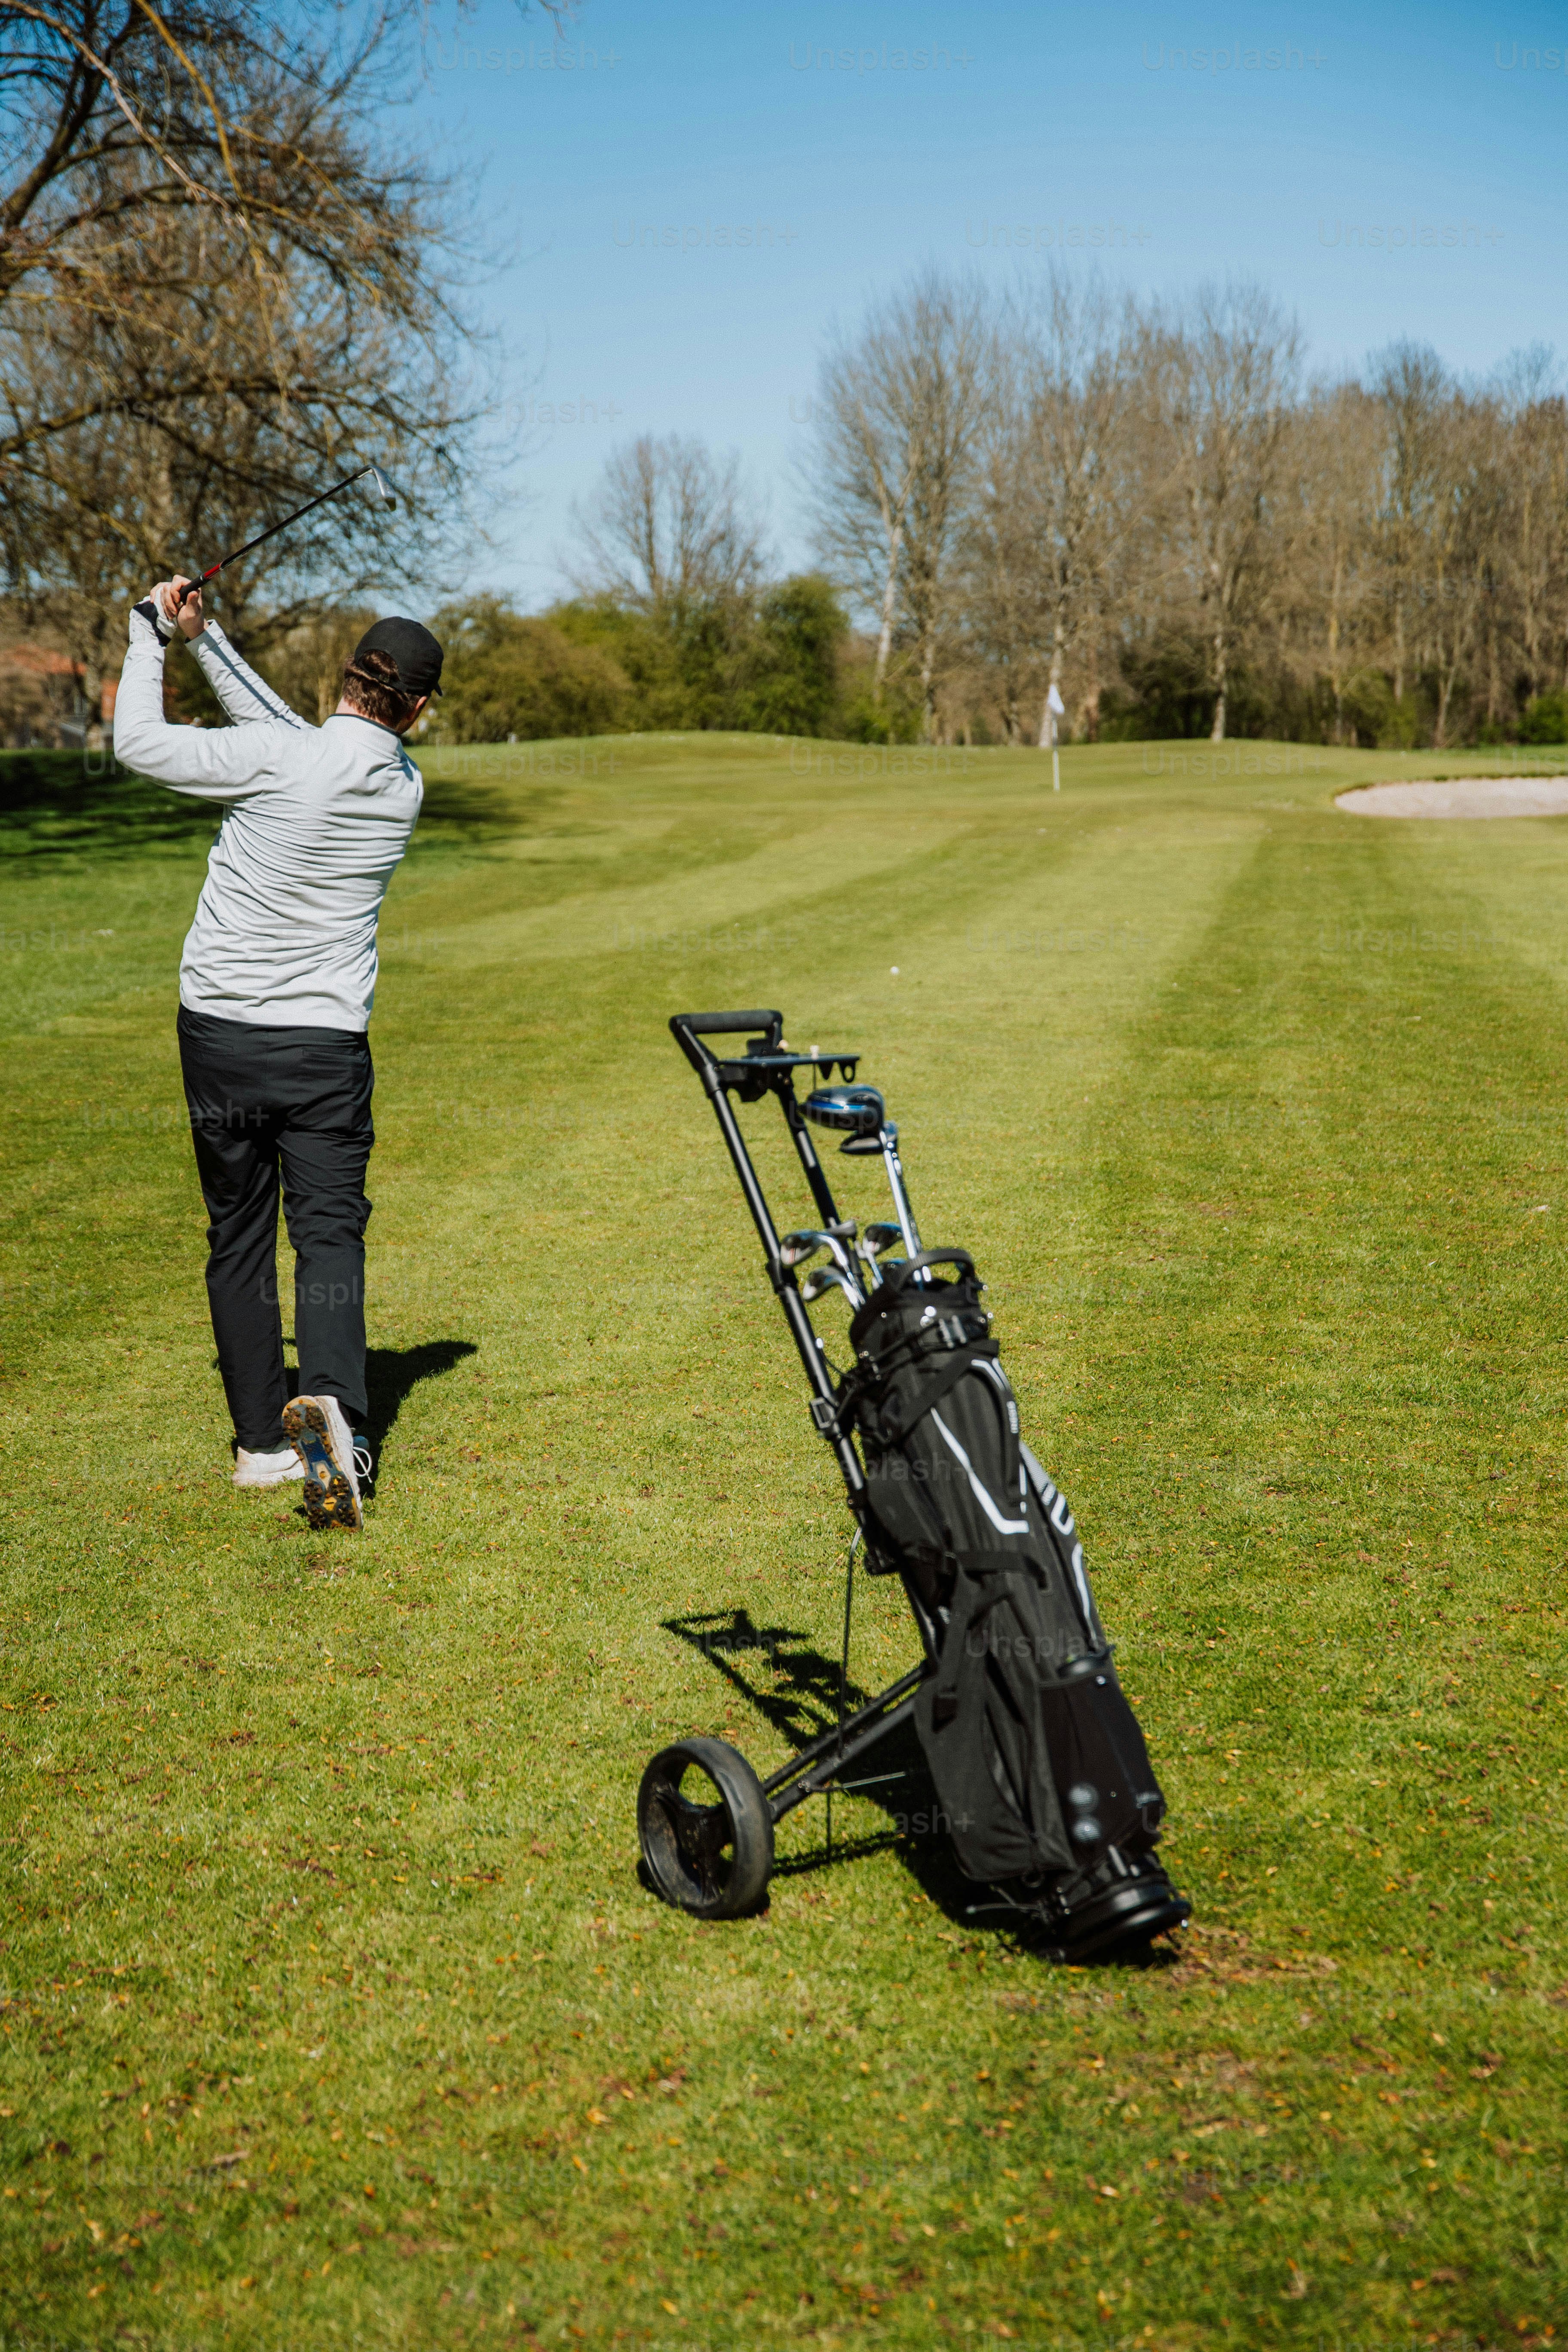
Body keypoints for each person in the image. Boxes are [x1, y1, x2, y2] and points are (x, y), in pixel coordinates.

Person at [112, 577, 443, 1531]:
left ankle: (261, 1447)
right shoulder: (404, 786)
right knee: (330, 1237)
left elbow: (138, 743)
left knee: (239, 1234)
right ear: (416, 709)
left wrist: (151, 636)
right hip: (326, 1049)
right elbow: (306, 738)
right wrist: (205, 639)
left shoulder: (276, 758)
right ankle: (338, 1421)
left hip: (219, 1036)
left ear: (346, 676)